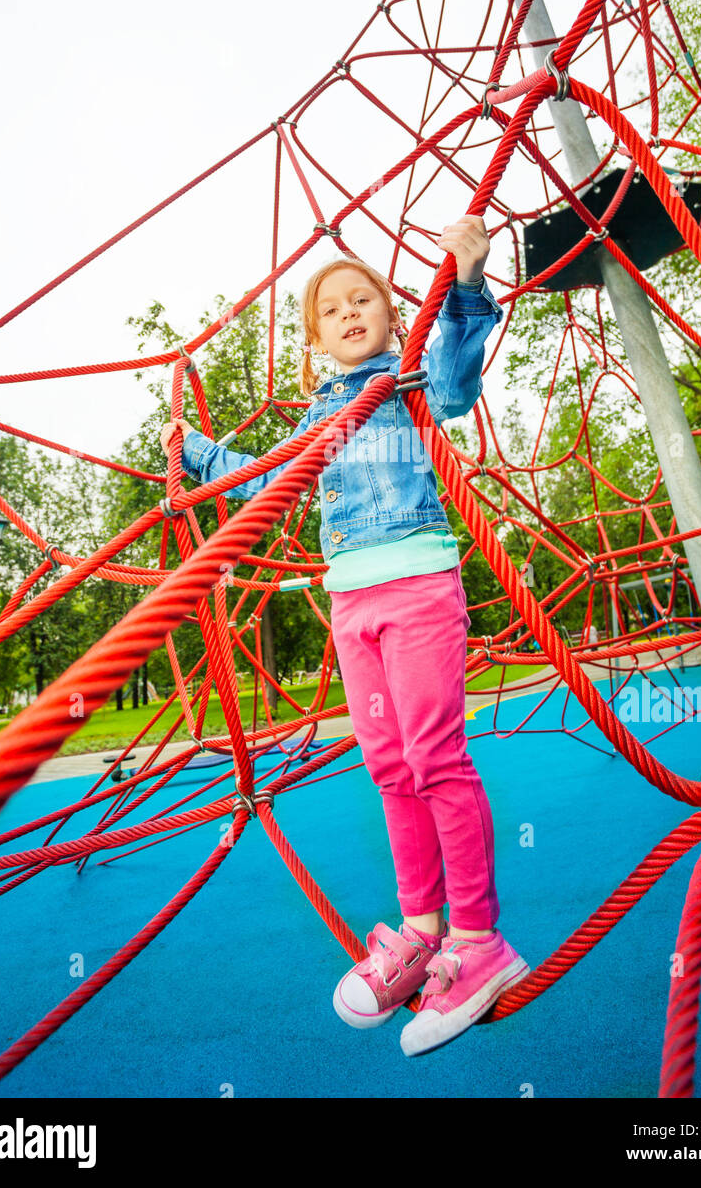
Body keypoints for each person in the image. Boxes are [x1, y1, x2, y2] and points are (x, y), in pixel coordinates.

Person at [160, 214, 528, 1056]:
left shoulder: (406, 381)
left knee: (436, 757)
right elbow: (269, 475)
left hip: (418, 583)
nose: (352, 311)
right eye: (333, 309)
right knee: (390, 765)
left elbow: (460, 383)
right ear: (314, 340)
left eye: (365, 298)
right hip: (351, 601)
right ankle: (421, 929)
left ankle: (480, 942)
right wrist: (194, 450)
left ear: (395, 317)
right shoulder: (325, 411)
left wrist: (466, 282)